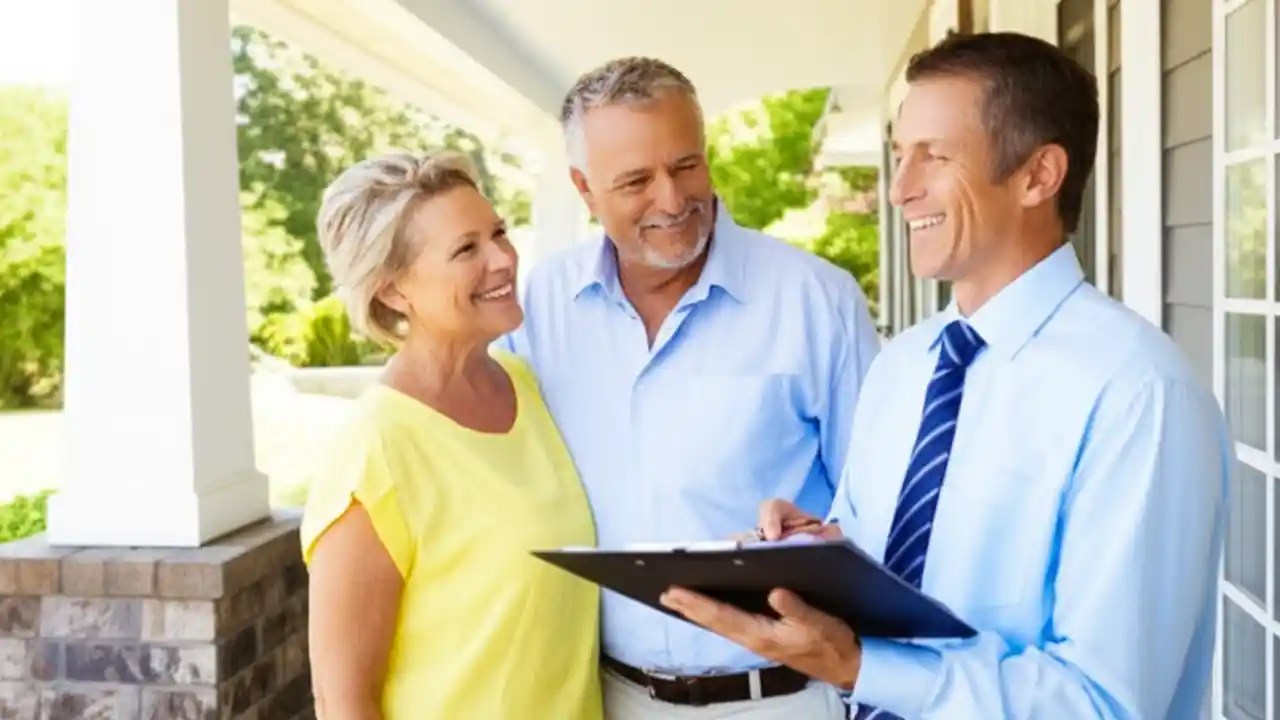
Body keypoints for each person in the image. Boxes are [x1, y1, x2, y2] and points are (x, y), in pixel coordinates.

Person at [660, 31, 1229, 720]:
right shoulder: (905, 365)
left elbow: (1102, 704)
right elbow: (895, 565)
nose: (900, 189)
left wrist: (861, 665)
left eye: (935, 157)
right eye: (901, 155)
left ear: (1037, 176)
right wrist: (818, 552)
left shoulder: (1139, 394)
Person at [500, 57, 880, 718]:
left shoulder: (816, 300)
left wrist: (809, 544)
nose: (673, 201)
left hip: (783, 698)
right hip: (606, 697)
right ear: (584, 189)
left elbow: (883, 509)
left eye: (685, 166)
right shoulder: (535, 309)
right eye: (635, 181)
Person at [300, 151, 602, 720]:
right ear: (392, 291)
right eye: (466, 249)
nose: (503, 259)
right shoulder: (377, 446)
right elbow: (342, 700)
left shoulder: (525, 386)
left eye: (499, 233)